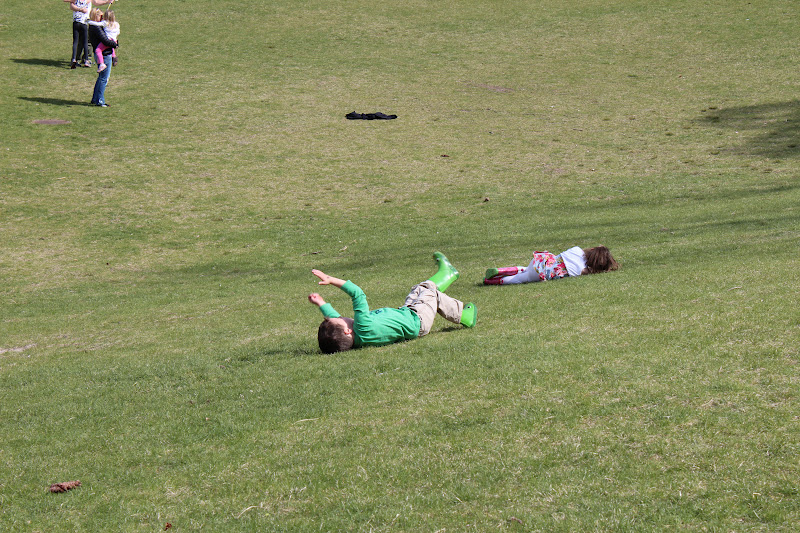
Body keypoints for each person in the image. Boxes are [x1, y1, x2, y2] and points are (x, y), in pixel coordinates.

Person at [308, 252, 477, 353]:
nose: (341, 316)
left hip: (407, 313)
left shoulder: (358, 339)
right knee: (430, 293)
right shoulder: (362, 326)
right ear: (347, 331)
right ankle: (464, 315)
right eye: (340, 319)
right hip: (418, 321)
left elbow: (335, 321)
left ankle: (448, 274)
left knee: (419, 289)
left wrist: (321, 303)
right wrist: (331, 279)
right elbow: (357, 294)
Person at [483, 245, 619, 285]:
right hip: (541, 274)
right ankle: (491, 281)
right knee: (520, 279)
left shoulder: (577, 250)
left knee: (526, 270)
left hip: (540, 260)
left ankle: (501, 270)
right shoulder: (582, 271)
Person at [65, 0, 115, 69]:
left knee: (77, 42)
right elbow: (96, 2)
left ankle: (75, 59)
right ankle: (86, 60)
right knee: (85, 42)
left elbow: (71, 5)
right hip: (85, 23)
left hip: (77, 22)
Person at [87, 8, 118, 106]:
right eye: (101, 16)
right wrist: (115, 44)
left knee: (101, 77)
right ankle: (100, 101)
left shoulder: (93, 26)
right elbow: (105, 40)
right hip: (104, 55)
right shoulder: (97, 27)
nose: (102, 18)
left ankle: (95, 99)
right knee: (104, 78)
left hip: (101, 54)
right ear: (96, 16)